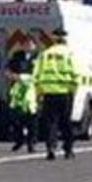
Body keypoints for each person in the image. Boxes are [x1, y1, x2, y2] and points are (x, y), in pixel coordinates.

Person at [33, 28, 78, 160]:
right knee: (65, 122)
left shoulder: (45, 54)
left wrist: (38, 93)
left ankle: (51, 147)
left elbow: (36, 75)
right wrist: (73, 90)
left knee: (51, 122)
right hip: (65, 92)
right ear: (64, 39)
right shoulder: (69, 54)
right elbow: (75, 73)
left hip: (48, 92)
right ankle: (68, 149)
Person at [7, 50, 37, 153]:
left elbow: (36, 75)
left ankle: (31, 143)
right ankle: (19, 140)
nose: (28, 46)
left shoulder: (38, 57)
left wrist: (20, 77)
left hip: (30, 93)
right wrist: (10, 75)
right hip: (17, 93)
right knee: (16, 120)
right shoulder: (17, 56)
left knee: (31, 121)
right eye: (25, 43)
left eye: (30, 43)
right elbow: (9, 70)